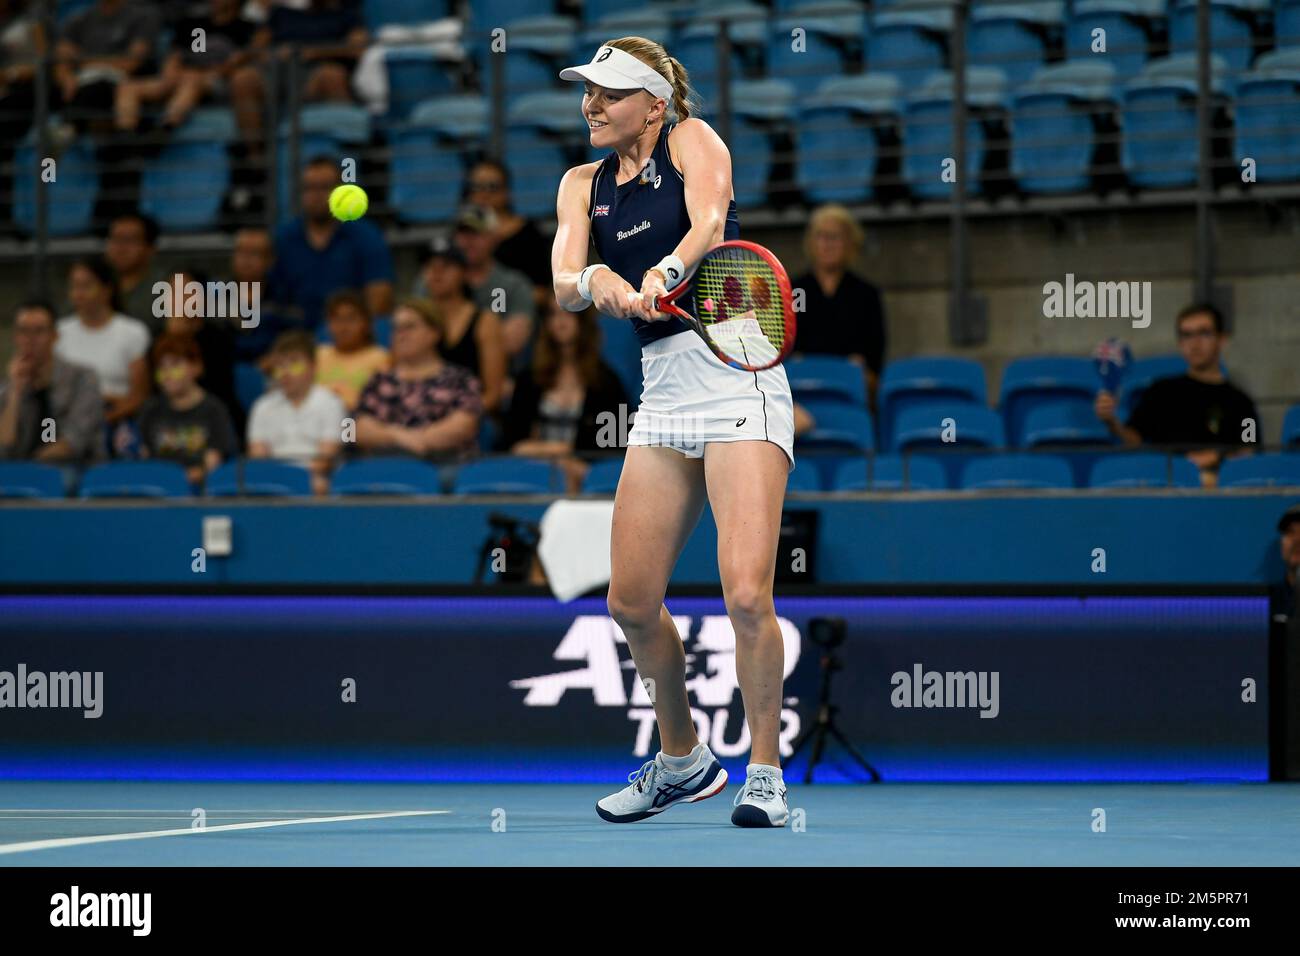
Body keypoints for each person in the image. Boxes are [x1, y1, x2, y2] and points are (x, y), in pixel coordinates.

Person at [553, 37, 795, 827]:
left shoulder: (693, 139)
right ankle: (684, 759)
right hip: (664, 397)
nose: (592, 106)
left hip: (740, 371)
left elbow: (711, 218)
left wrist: (663, 274)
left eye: (609, 94)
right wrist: (599, 282)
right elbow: (563, 283)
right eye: (587, 93)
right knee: (630, 600)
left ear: (654, 104)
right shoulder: (580, 185)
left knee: (747, 594)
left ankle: (764, 770)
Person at [1095, 303, 1258, 485]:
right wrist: (1111, 421)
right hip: (1161, 484)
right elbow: (1134, 440)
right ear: (1180, 343)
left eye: (1204, 333)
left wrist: (1214, 457)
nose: (1195, 344)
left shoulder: (1242, 403)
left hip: (1216, 488)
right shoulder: (1160, 392)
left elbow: (1248, 451)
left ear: (1221, 339)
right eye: (1187, 335)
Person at [500, 300, 630, 492]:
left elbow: (617, 443)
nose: (560, 321)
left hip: (584, 472)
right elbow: (512, 444)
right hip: (532, 469)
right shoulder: (528, 379)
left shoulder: (606, 383)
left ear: (583, 322)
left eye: (569, 314)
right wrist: (561, 452)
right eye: (553, 315)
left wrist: (574, 460)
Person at [113, 0, 262, 150]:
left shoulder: (247, 28)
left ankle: (164, 130)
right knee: (128, 86)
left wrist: (204, 73)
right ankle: (126, 137)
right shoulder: (192, 22)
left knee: (192, 81)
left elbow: (236, 63)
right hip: (180, 75)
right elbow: (175, 55)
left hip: (216, 82)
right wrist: (170, 75)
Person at [269, 155, 395, 332]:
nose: (316, 195)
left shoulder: (366, 236)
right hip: (296, 339)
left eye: (324, 188)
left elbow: (379, 298)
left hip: (351, 338)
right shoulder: (284, 238)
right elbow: (272, 297)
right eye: (309, 188)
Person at [352, 298, 482, 458]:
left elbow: (464, 426)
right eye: (396, 328)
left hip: (446, 467)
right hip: (386, 467)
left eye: (409, 327)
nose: (401, 335)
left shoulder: (461, 379)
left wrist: (417, 441)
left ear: (434, 333)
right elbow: (356, 430)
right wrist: (398, 436)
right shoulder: (379, 380)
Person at [413, 206, 535, 367]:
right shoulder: (432, 280)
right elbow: (415, 338)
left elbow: (514, 342)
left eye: (476, 234)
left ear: (495, 237)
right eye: (462, 234)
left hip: (505, 374)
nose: (467, 241)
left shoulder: (513, 285)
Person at [789, 204, 886, 403]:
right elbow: (790, 347)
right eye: (821, 236)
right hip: (801, 391)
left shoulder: (866, 294)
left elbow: (873, 358)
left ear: (851, 243)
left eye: (836, 237)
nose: (828, 244)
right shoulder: (795, 290)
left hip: (850, 392)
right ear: (811, 242)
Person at [55, 256, 151, 441]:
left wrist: (101, 419)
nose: (78, 293)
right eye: (74, 286)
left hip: (117, 419)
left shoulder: (133, 332)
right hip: (66, 421)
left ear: (107, 290)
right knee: (46, 436)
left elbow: (139, 396)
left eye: (86, 286)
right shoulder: (59, 333)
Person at [0, 300, 105, 462]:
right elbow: (3, 448)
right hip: (23, 474)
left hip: (75, 470)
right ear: (15, 337)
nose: (30, 340)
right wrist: (15, 393)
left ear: (55, 336)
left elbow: (74, 442)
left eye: (39, 331)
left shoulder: (82, 379)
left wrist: (29, 467)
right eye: (23, 332)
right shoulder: (8, 387)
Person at [247, 330, 346, 495]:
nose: (285, 372)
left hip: (316, 478)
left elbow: (326, 458)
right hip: (272, 480)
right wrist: (281, 479)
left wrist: (293, 480)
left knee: (319, 484)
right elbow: (258, 456)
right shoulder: (261, 406)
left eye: (294, 364)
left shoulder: (333, 403)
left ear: (313, 367)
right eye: (279, 366)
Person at [136, 332, 238, 488]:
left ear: (196, 367)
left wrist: (179, 480)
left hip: (201, 493)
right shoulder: (150, 410)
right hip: (158, 490)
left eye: (175, 365)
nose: (167, 375)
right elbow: (145, 459)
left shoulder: (214, 410)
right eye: (161, 368)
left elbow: (212, 464)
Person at [417, 236, 506, 411]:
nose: (436, 272)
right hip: (423, 417)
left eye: (446, 266)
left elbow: (494, 394)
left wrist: (458, 422)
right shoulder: (414, 320)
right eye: (430, 266)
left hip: (473, 417)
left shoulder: (485, 322)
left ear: (464, 273)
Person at [52, 0, 161, 141]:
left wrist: (80, 60)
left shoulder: (144, 15)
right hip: (83, 83)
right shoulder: (79, 18)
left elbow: (131, 62)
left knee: (98, 88)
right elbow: (62, 57)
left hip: (122, 81)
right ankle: (66, 131)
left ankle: (67, 130)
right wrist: (66, 78)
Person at [160, 268, 243, 439]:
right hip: (167, 418)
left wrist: (182, 340)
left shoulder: (218, 338)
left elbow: (218, 387)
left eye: (186, 292)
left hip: (211, 415)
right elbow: (156, 389)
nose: (177, 299)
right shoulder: (157, 339)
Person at [463, 158, 553, 294]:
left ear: (507, 191)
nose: (484, 194)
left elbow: (541, 289)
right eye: (477, 187)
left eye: (492, 187)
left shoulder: (528, 234)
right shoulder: (461, 232)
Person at [262, 0, 367, 104]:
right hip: (277, 68)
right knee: (247, 79)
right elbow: (254, 48)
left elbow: (357, 49)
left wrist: (315, 52)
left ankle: (346, 119)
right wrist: (273, 54)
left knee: (331, 76)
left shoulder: (348, 14)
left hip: (317, 70)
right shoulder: (280, 12)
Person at [315, 288, 389, 409]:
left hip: (354, 421)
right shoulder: (318, 354)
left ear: (366, 324)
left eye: (351, 319)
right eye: (336, 319)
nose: (343, 327)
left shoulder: (380, 357)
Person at [103, 211, 167, 336]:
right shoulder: (96, 284)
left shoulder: (165, 289)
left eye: (129, 240)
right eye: (115, 239)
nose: (120, 248)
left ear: (150, 248)